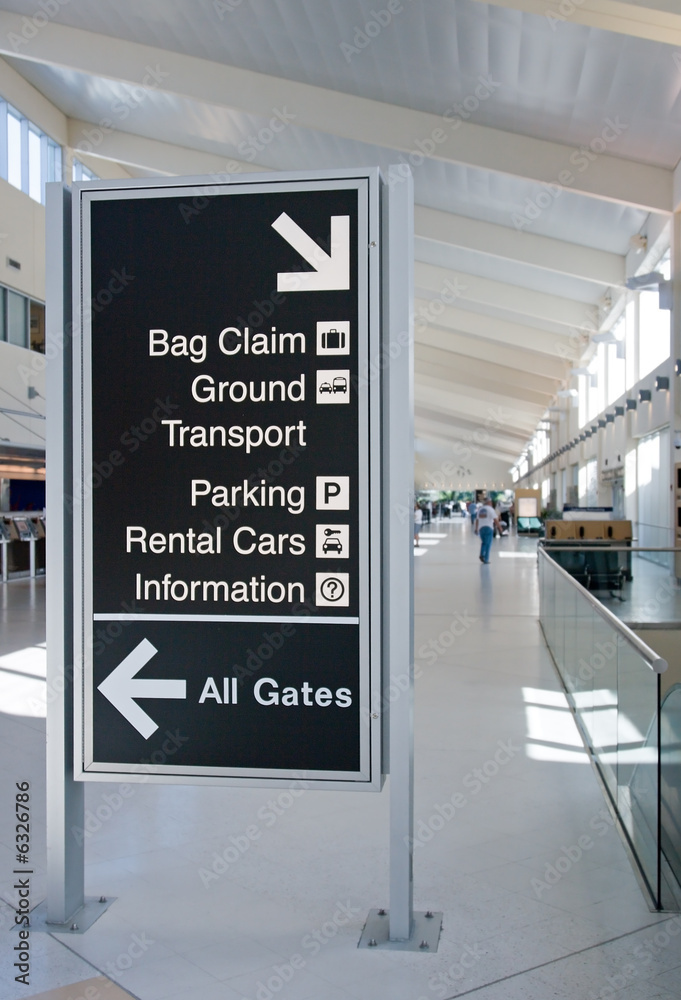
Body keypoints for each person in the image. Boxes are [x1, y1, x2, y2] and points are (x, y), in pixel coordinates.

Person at [475, 498, 500, 564]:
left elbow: (477, 520)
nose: (491, 504)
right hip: (489, 528)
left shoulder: (480, 510)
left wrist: (476, 528)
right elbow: (495, 519)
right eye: (491, 502)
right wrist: (500, 528)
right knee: (488, 544)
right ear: (489, 503)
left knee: (484, 542)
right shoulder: (491, 509)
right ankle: (486, 559)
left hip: (481, 528)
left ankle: (481, 554)